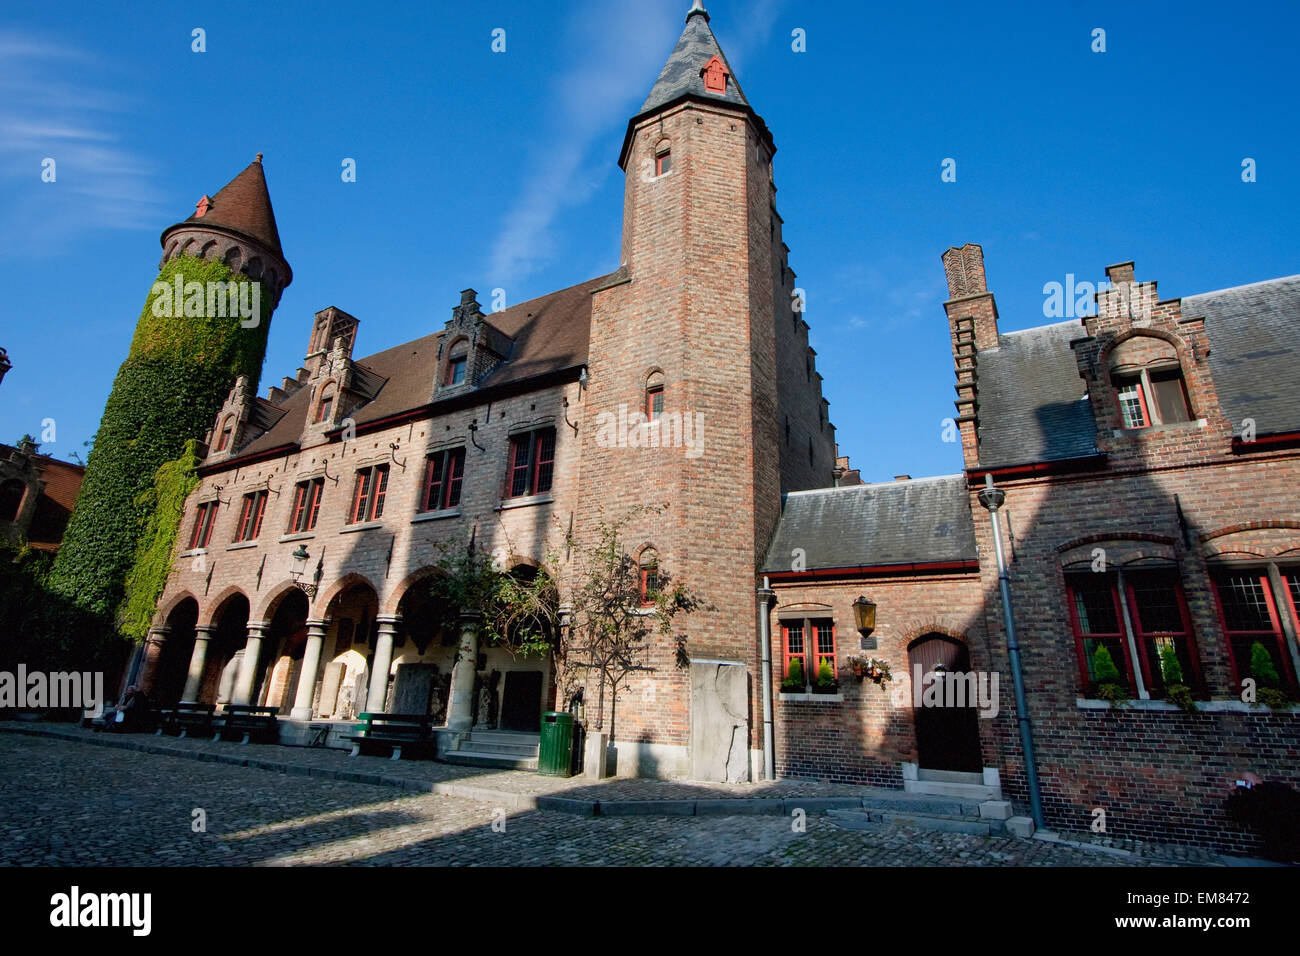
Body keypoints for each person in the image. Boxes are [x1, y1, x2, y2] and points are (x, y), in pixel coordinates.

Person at [1225, 771, 1300, 862]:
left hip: (1288, 827)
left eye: (1246, 781)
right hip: (1272, 833)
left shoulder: (1275, 788)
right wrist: (1233, 795)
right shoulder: (1251, 795)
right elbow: (1239, 815)